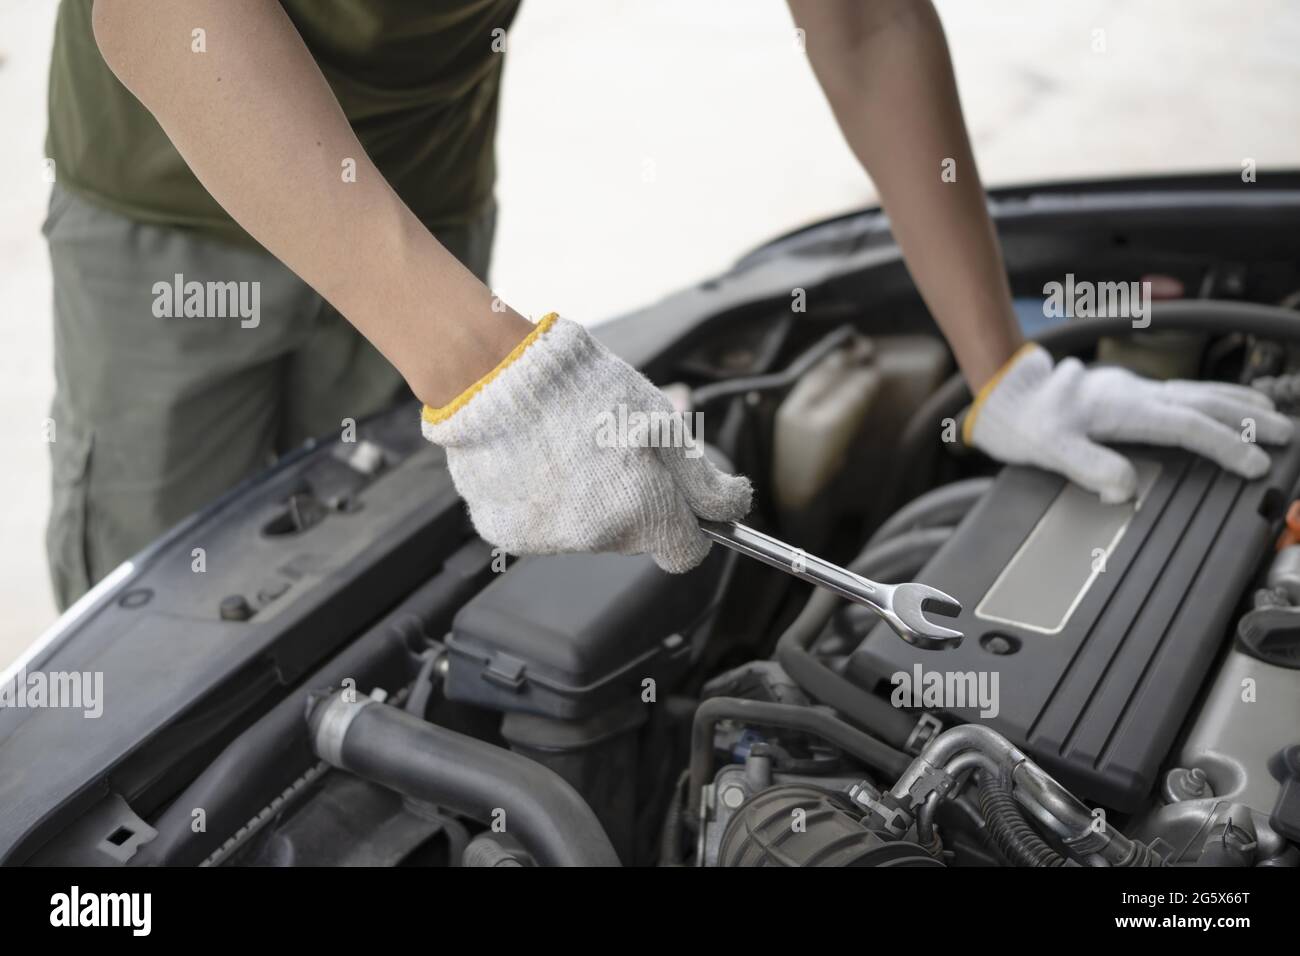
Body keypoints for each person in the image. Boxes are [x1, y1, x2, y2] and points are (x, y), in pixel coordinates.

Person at [46, 0, 1289, 607]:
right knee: (169, 613)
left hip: (423, 187)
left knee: (358, 581)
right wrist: (485, 363)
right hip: (170, 199)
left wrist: (1000, 363)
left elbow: (857, 18)